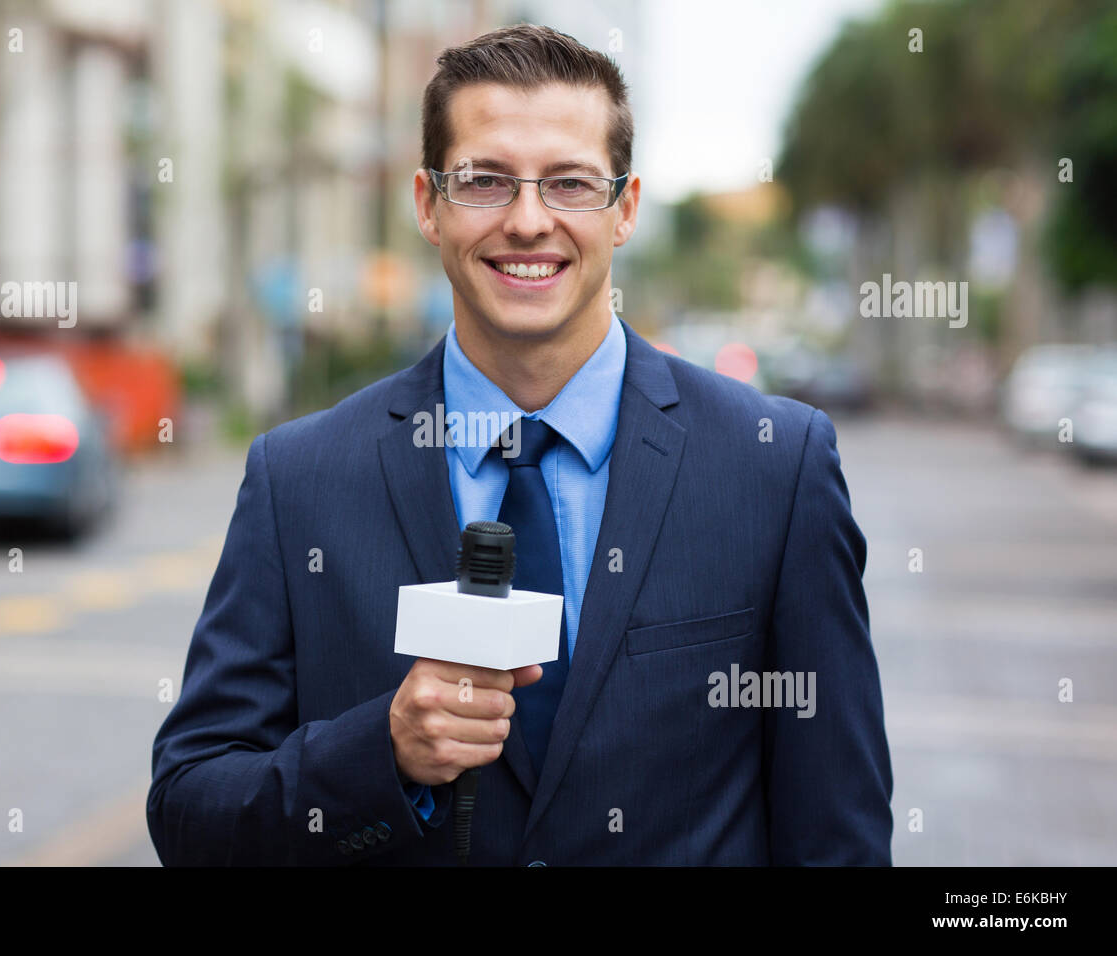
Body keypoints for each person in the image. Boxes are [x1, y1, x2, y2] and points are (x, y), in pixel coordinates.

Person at [147, 22, 893, 866]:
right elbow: (189, 809)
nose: (529, 221)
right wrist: (381, 752)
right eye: (485, 181)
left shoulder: (774, 467)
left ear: (625, 209)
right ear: (428, 205)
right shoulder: (300, 478)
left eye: (570, 183)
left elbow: (839, 836)